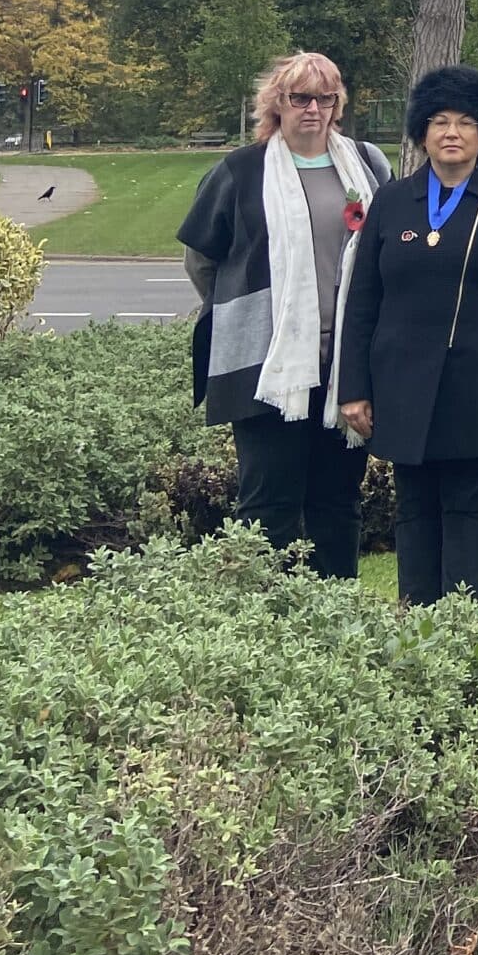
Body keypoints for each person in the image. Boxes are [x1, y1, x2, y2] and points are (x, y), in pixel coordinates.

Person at [337, 65, 478, 605]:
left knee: (469, 506)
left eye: (463, 122)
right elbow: (363, 302)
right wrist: (354, 388)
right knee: (414, 507)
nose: (451, 132)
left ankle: (461, 623)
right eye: (438, 121)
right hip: (402, 384)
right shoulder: (392, 202)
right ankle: (416, 617)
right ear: (422, 132)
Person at [178, 50, 392, 578]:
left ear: (337, 104)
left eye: (324, 98)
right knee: (267, 504)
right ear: (278, 103)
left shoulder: (367, 165)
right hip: (265, 367)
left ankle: (335, 616)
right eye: (300, 98)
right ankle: (268, 627)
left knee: (336, 502)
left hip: (345, 364)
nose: (312, 109)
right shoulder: (239, 171)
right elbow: (201, 261)